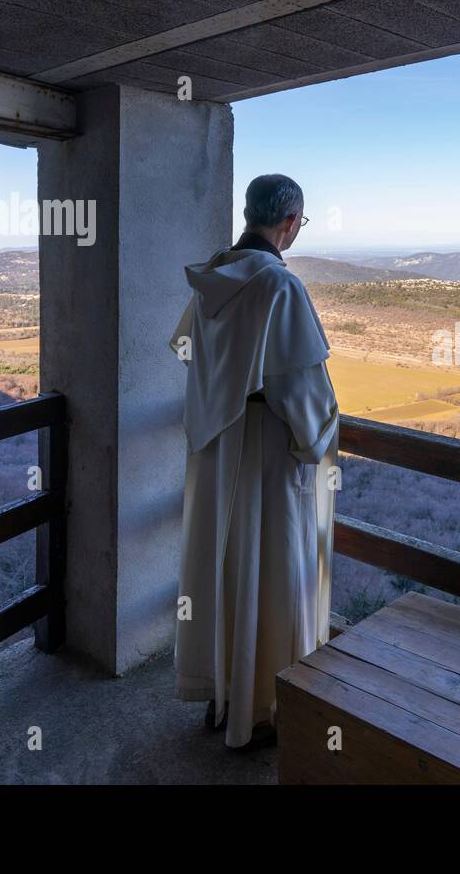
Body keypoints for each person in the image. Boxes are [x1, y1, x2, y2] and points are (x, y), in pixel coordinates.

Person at [169, 174, 338, 749]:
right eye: (300, 223)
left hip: (219, 451)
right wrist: (317, 441)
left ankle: (223, 694)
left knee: (224, 569)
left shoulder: (212, 280)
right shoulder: (278, 287)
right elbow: (302, 393)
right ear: (288, 221)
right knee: (272, 574)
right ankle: (261, 707)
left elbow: (195, 360)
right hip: (268, 453)